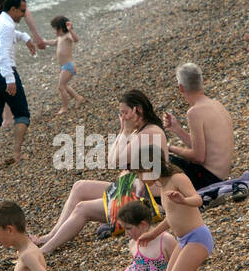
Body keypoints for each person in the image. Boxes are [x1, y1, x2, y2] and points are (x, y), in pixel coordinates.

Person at [35, 90, 168, 253]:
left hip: (150, 201)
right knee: (80, 186)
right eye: (121, 114)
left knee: (82, 209)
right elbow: (111, 159)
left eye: (125, 113)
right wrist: (122, 131)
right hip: (129, 189)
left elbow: (117, 161)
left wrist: (125, 132)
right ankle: (51, 235)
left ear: (138, 110)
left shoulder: (150, 132)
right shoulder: (139, 131)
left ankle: (45, 250)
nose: (123, 117)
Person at [0, 0, 36, 172]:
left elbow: (12, 34)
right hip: (4, 73)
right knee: (22, 114)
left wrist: (26, 38)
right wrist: (10, 79)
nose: (24, 14)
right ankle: (16, 155)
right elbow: (4, 53)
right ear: (13, 10)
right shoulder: (7, 27)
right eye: (22, 11)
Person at [163, 62, 234, 190]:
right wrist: (177, 130)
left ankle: (155, 202)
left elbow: (198, 157)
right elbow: (203, 148)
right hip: (221, 175)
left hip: (208, 179)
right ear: (201, 82)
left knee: (159, 160)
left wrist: (169, 148)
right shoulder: (216, 104)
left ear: (181, 87)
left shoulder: (194, 112)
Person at [43, 16, 84, 114]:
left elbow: (76, 39)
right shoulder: (60, 37)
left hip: (68, 66)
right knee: (64, 85)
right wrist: (43, 42)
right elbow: (54, 42)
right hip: (63, 66)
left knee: (61, 87)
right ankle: (78, 98)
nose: (55, 32)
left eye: (56, 29)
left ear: (62, 28)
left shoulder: (67, 35)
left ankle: (65, 107)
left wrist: (71, 30)